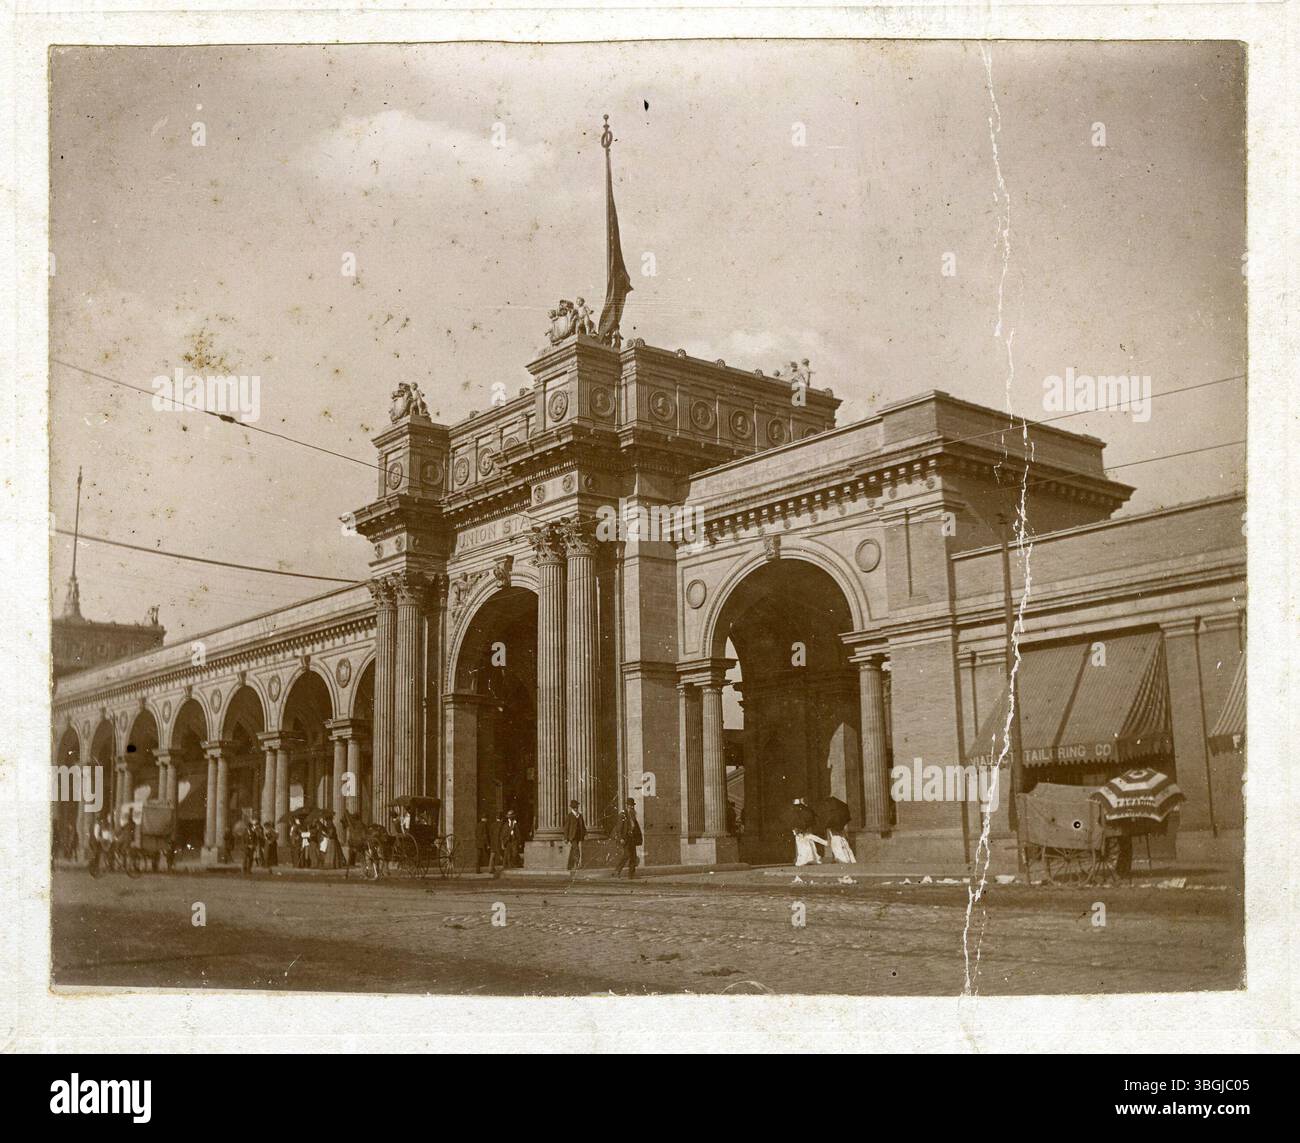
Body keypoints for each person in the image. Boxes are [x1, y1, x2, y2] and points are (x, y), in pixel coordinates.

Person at [611, 798, 643, 880]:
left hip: (632, 838)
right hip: (625, 838)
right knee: (627, 854)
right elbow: (619, 827)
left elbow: (635, 827)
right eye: (629, 806)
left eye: (632, 806)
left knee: (633, 856)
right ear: (627, 806)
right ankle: (617, 871)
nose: (631, 807)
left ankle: (631, 875)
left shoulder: (632, 815)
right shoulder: (623, 814)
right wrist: (621, 838)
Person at [791, 798, 827, 866]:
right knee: (806, 845)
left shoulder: (800, 813)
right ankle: (808, 859)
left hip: (802, 831)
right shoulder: (802, 812)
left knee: (804, 846)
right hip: (801, 831)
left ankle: (806, 859)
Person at [564, 799, 586, 876]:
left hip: (578, 836)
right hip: (572, 836)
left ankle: (569, 866)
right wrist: (566, 838)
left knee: (573, 850)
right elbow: (566, 828)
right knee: (576, 850)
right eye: (574, 807)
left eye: (576, 807)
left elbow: (583, 826)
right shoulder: (569, 816)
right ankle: (577, 864)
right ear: (572, 808)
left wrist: (584, 833)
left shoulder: (579, 815)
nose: (576, 809)